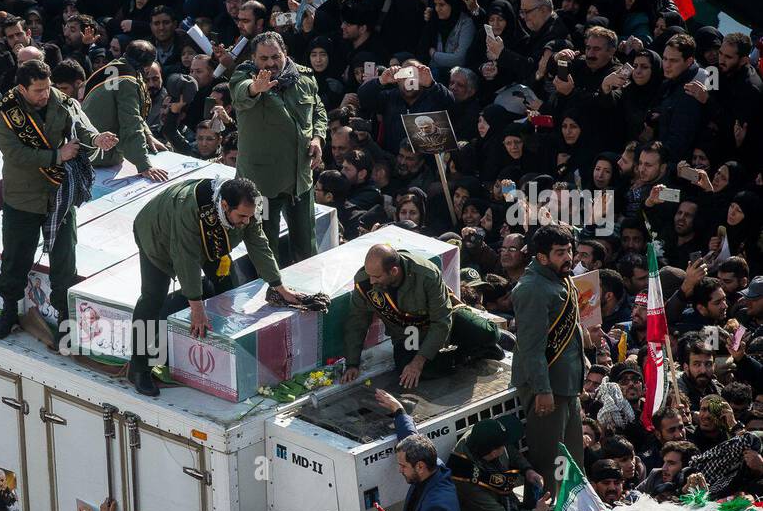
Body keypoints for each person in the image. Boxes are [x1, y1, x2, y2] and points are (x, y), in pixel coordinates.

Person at [125, 174, 308, 396]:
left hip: (214, 242)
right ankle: (139, 368)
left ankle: (224, 355)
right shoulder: (188, 211)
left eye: (249, 217)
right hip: (158, 237)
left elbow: (258, 244)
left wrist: (278, 286)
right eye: (241, 217)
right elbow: (186, 259)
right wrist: (197, 308)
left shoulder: (249, 206)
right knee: (152, 299)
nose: (246, 222)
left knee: (228, 286)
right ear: (224, 205)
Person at [0, 58, 118, 340]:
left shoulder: (60, 100)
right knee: (15, 258)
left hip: (60, 194)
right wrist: (57, 156)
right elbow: (16, 155)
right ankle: (9, 310)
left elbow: (81, 127)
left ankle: (63, 317)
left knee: (65, 259)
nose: (45, 95)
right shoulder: (3, 113)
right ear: (22, 89)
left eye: (47, 88)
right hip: (23, 197)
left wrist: (97, 139)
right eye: (38, 90)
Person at [340, 243, 507, 389]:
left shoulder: (425, 274)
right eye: (370, 275)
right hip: (409, 332)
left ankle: (484, 345)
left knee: (488, 333)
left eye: (376, 276)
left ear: (394, 271)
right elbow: (357, 322)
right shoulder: (364, 281)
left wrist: (419, 361)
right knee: (407, 372)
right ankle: (466, 355)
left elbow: (441, 321)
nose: (371, 281)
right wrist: (352, 363)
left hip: (442, 322)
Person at [229, 32, 327, 265]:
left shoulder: (304, 78)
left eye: (275, 56)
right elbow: (241, 94)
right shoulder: (244, 77)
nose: (270, 63)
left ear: (285, 54)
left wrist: (318, 138)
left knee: (306, 246)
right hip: (261, 184)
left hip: (299, 180)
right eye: (263, 58)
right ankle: (269, 289)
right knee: (264, 244)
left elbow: (319, 111)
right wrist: (256, 87)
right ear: (253, 58)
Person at [511, 224, 588, 495]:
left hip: (566, 385)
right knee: (553, 461)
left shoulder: (559, 277)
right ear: (542, 257)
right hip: (547, 388)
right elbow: (531, 348)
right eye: (559, 253)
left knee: (571, 460)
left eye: (569, 251)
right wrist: (542, 390)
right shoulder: (532, 288)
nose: (568, 257)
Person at [374, 388, 479, 511]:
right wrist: (399, 412)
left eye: (403, 466)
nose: (399, 470)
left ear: (420, 466)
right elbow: (411, 437)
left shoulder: (438, 508)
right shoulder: (433, 466)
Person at [80, 39, 167, 181]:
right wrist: (144, 165)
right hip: (102, 155)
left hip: (87, 147)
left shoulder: (115, 67)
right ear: (147, 66)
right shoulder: (127, 80)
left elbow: (127, 112)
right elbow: (130, 121)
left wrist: (148, 135)